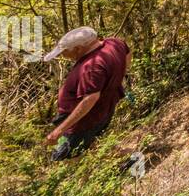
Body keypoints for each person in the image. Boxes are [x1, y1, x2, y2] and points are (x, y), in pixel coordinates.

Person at [44, 27, 130, 161]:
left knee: (69, 157)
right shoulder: (114, 43)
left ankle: (130, 159)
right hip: (98, 112)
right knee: (93, 145)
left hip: (83, 121)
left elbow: (90, 99)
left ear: (78, 48)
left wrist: (59, 131)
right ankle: (131, 157)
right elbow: (127, 53)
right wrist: (118, 75)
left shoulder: (91, 67)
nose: (63, 55)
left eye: (65, 51)